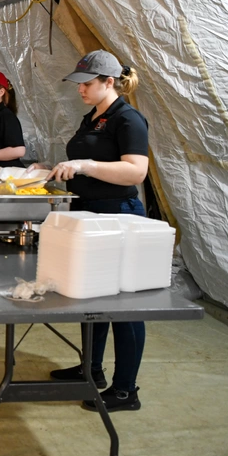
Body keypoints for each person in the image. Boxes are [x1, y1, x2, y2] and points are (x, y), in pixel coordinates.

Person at [45, 51, 150, 412]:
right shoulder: (93, 118)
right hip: (88, 215)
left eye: (87, 84)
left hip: (117, 216)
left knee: (123, 307)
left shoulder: (127, 119)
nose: (81, 91)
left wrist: (86, 164)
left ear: (109, 82)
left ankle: (125, 390)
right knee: (92, 299)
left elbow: (136, 172)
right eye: (79, 85)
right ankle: (91, 369)